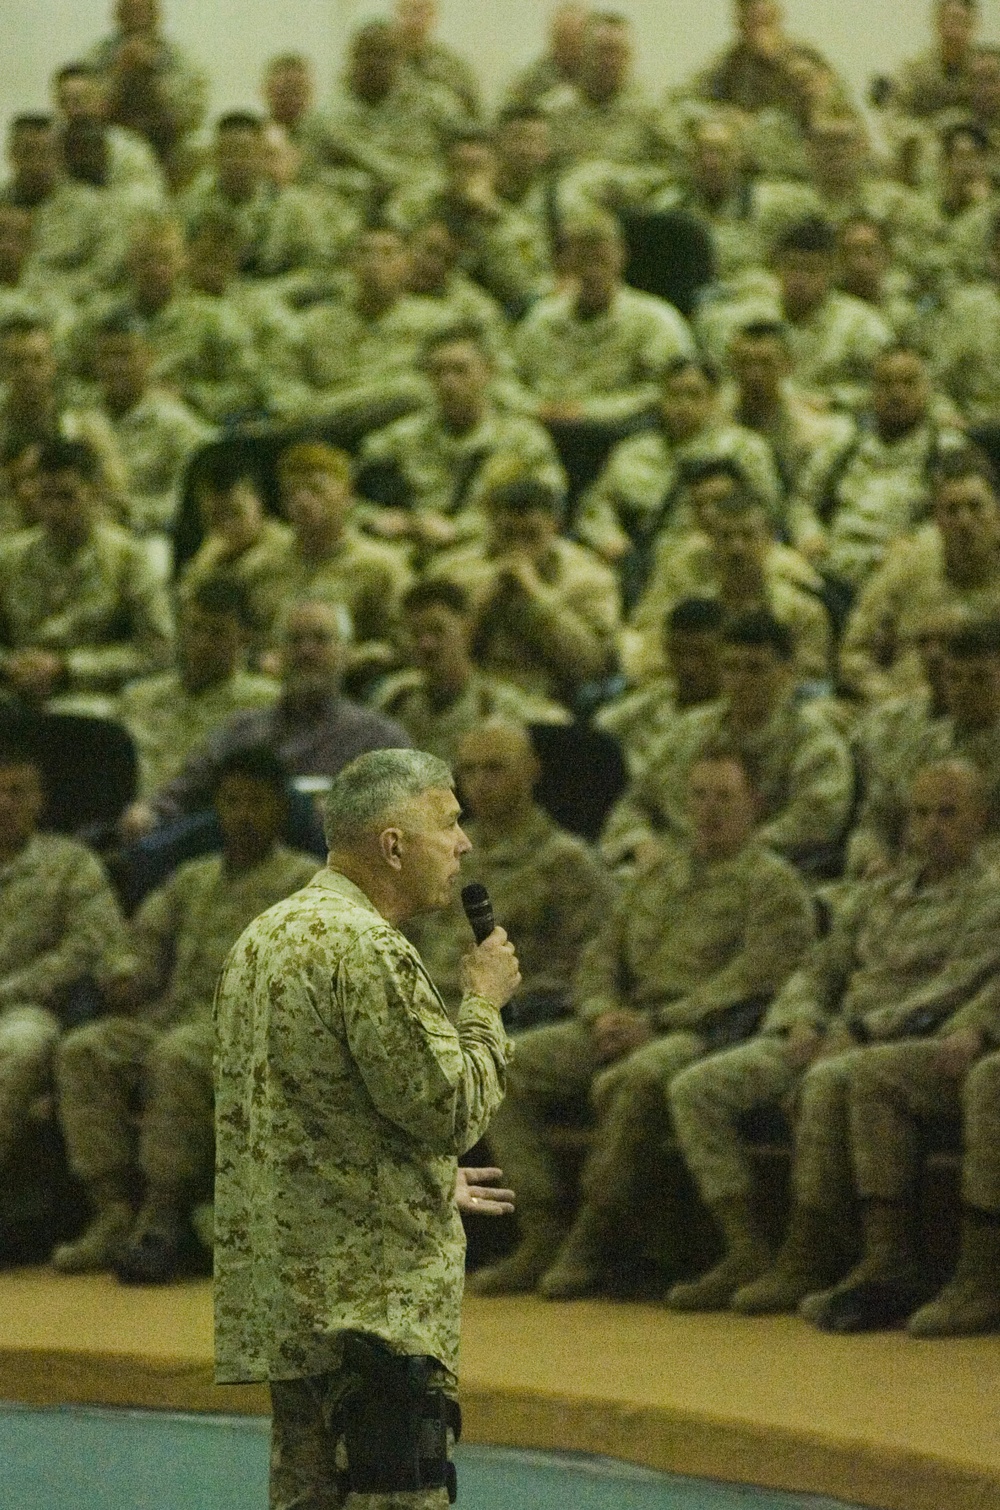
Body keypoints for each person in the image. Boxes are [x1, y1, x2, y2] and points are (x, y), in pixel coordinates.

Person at [213, 747, 519, 1510]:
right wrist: (484, 1004)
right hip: (372, 1310)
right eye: (448, 823)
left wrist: (417, 1178)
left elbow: (300, 1114)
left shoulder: (265, 935)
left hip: (291, 1297)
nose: (464, 843)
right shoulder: (368, 948)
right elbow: (452, 1109)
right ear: (392, 844)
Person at [471, 749, 813, 1298]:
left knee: (638, 1079)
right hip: (620, 1020)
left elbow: (753, 980)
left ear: (757, 804)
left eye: (724, 797)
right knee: (498, 1063)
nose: (709, 810)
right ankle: (541, 1228)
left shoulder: (773, 885)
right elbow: (600, 957)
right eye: (699, 796)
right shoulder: (656, 875)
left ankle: (592, 1238)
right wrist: (602, 1011)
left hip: (702, 1032)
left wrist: (652, 1023)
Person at [667, 757, 1000, 1316]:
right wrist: (801, 1019)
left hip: (898, 1038)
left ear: (982, 820)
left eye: (948, 813)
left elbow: (952, 988)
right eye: (920, 813)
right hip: (828, 1033)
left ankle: (809, 1250)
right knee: (696, 1086)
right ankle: (746, 1249)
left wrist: (860, 1030)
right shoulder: (880, 892)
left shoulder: (989, 898)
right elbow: (818, 966)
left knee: (829, 1080)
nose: (931, 826)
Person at [53, 746, 319, 1282]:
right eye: (231, 802)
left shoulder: (305, 882)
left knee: (177, 1058)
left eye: (257, 804)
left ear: (281, 811)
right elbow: (140, 943)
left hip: (255, 1027)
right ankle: (111, 1210)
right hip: (174, 1013)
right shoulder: (190, 879)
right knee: (84, 1049)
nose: (242, 816)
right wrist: (125, 974)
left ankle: (163, 1215)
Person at [602, 610, 853, 875]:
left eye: (755, 669)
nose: (741, 681)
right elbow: (635, 800)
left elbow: (814, 824)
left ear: (787, 673)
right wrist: (641, 843)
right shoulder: (689, 731)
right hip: (670, 867)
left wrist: (724, 850)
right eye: (731, 667)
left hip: (761, 876)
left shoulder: (816, 745)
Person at [409, 719, 613, 1028]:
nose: (479, 783)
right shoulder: (445, 848)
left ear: (531, 771)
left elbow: (588, 963)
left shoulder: (565, 862)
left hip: (498, 1014)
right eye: (469, 770)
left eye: (494, 769)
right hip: (422, 998)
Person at [0, 731, 130, 1181]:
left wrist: (14, 989)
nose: (5, 803)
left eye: (17, 791)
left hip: (28, 1010)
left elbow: (90, 944)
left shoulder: (72, 863)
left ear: (39, 800)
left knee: (17, 1050)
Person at [0, 437, 173, 716]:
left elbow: (158, 652)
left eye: (67, 497)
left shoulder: (128, 559)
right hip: (16, 690)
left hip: (93, 697)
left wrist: (68, 667)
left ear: (94, 492)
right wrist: (12, 665)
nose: (54, 510)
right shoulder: (9, 558)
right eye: (45, 496)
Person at [431, 476, 620, 710]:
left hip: (542, 697)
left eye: (531, 535)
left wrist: (537, 597)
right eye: (507, 535)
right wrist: (485, 599)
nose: (518, 547)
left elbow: (593, 665)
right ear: (490, 526)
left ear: (554, 526)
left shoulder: (590, 577)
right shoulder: (453, 569)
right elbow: (428, 646)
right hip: (463, 688)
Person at [840, 447, 1000, 702]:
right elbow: (854, 652)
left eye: (975, 507)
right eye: (952, 510)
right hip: (900, 706)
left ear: (998, 514)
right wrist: (887, 697)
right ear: (937, 520)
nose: (964, 521)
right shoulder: (909, 561)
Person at [116, 575, 278, 810]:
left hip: (204, 822)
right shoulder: (139, 696)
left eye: (217, 633)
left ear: (244, 638)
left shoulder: (263, 702)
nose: (202, 643)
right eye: (195, 628)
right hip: (128, 816)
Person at [375, 578, 569, 761]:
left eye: (437, 631)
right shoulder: (394, 699)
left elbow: (558, 726)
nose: (426, 644)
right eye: (416, 634)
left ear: (467, 628)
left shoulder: (493, 703)